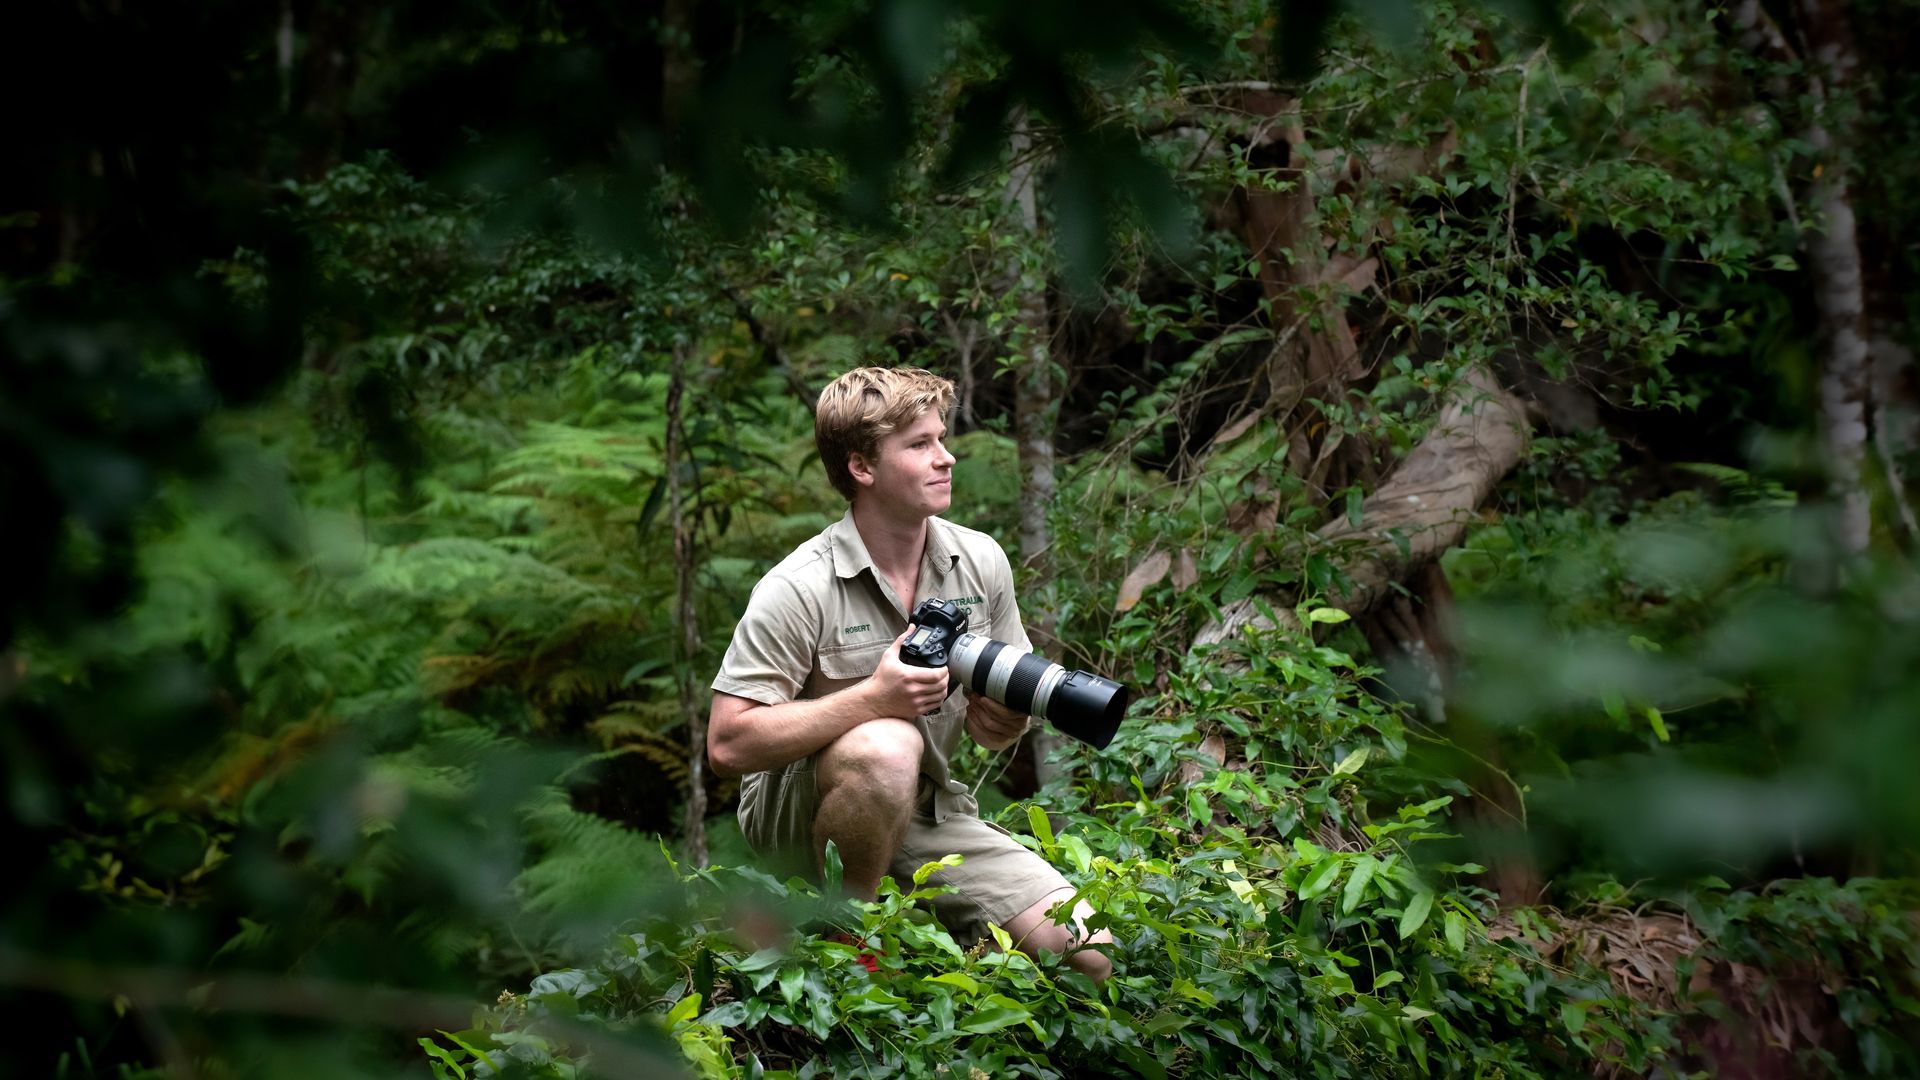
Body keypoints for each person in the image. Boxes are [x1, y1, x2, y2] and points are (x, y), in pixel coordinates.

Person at [706, 366, 1112, 981]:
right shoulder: (798, 586)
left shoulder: (980, 561)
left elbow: (994, 735)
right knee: (887, 742)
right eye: (919, 445)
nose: (945, 459)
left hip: (929, 805)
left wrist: (1004, 720)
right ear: (861, 468)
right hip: (801, 811)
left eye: (941, 439)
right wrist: (873, 699)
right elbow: (727, 742)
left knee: (1090, 953)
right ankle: (851, 944)